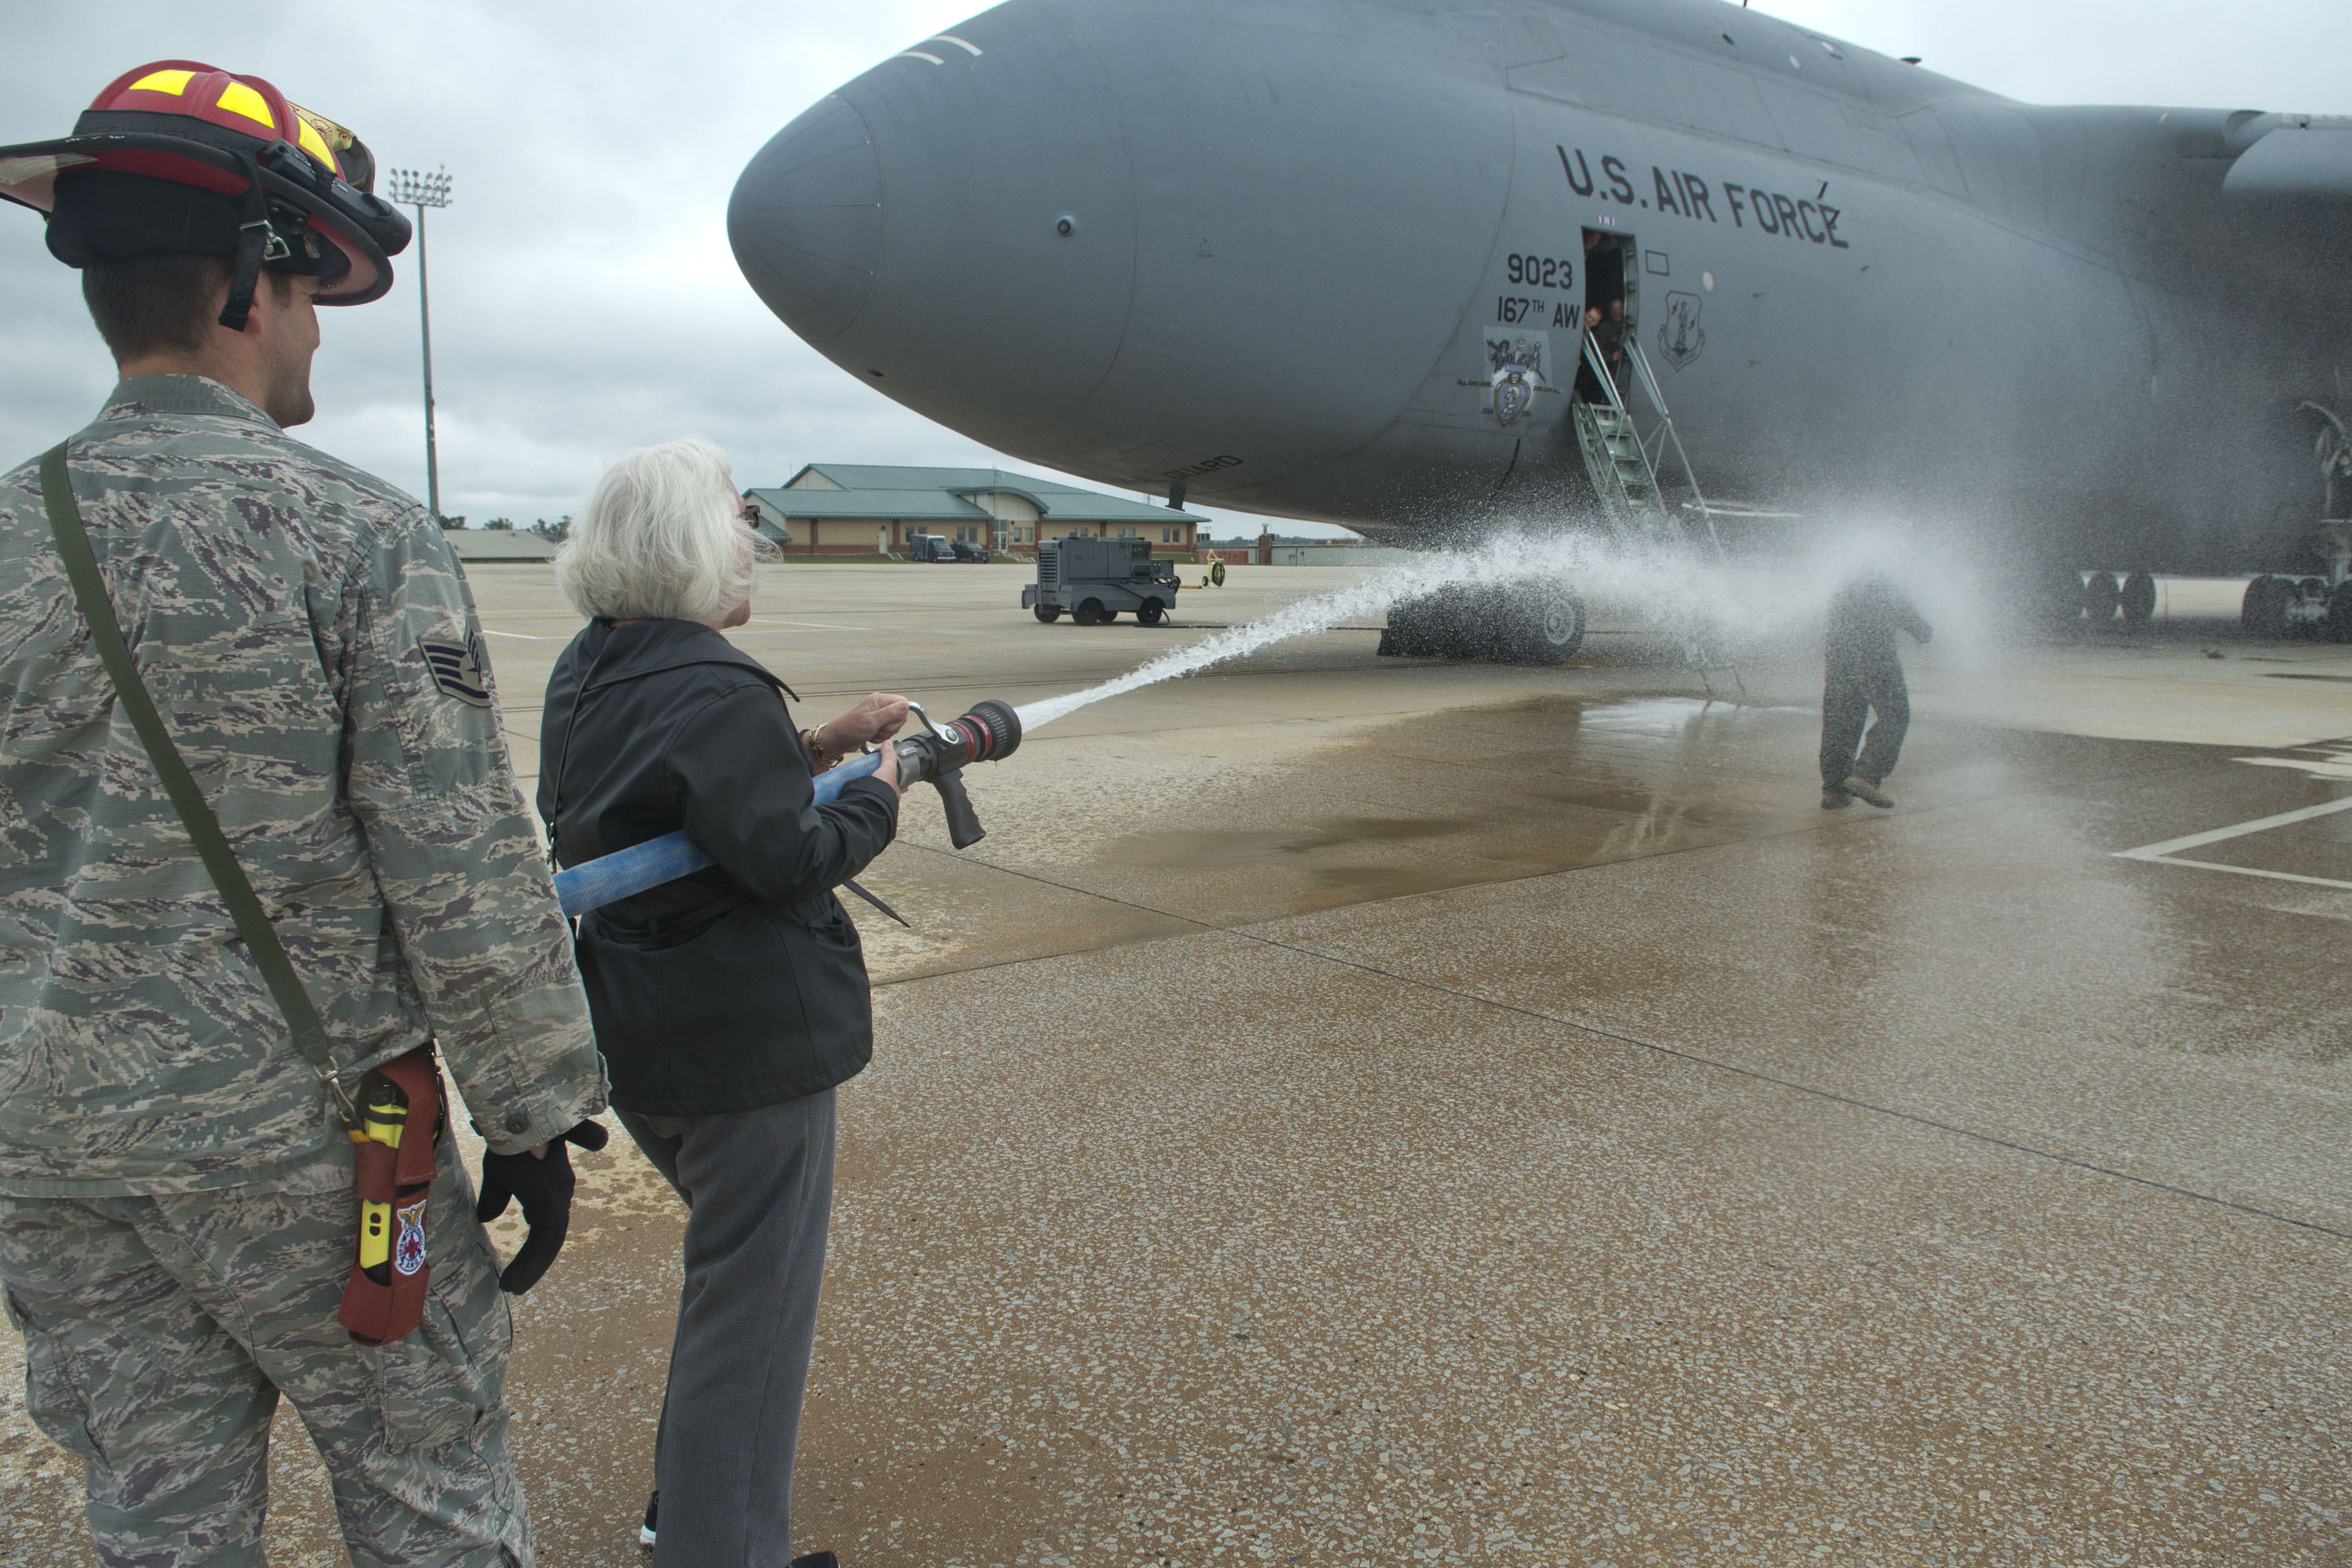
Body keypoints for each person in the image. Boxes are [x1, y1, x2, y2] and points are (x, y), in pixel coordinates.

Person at [0, 61, 608, 1564]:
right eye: (312, 293)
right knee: (429, 1497)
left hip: (55, 1160)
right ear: (250, 283)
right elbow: (459, 866)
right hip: (316, 1159)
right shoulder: (354, 538)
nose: (320, 329)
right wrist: (535, 1108)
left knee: (158, 1522)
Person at [538, 437, 909, 1566]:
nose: (756, 544)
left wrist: (822, 743)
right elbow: (787, 856)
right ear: (690, 545)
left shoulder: (591, 664)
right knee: (751, 1315)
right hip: (747, 1050)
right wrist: (881, 792)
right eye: (742, 523)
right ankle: (716, 1548)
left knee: (728, 1289)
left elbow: (681, 798)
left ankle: (692, 1515)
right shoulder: (716, 680)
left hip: (643, 1033)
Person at [1820, 571, 1934, 809]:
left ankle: (1835, 789)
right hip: (1875, 652)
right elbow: (1900, 607)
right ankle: (1867, 775)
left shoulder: (1845, 576)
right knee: (1895, 715)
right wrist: (1923, 631)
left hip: (1839, 652)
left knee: (1842, 718)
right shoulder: (1884, 574)